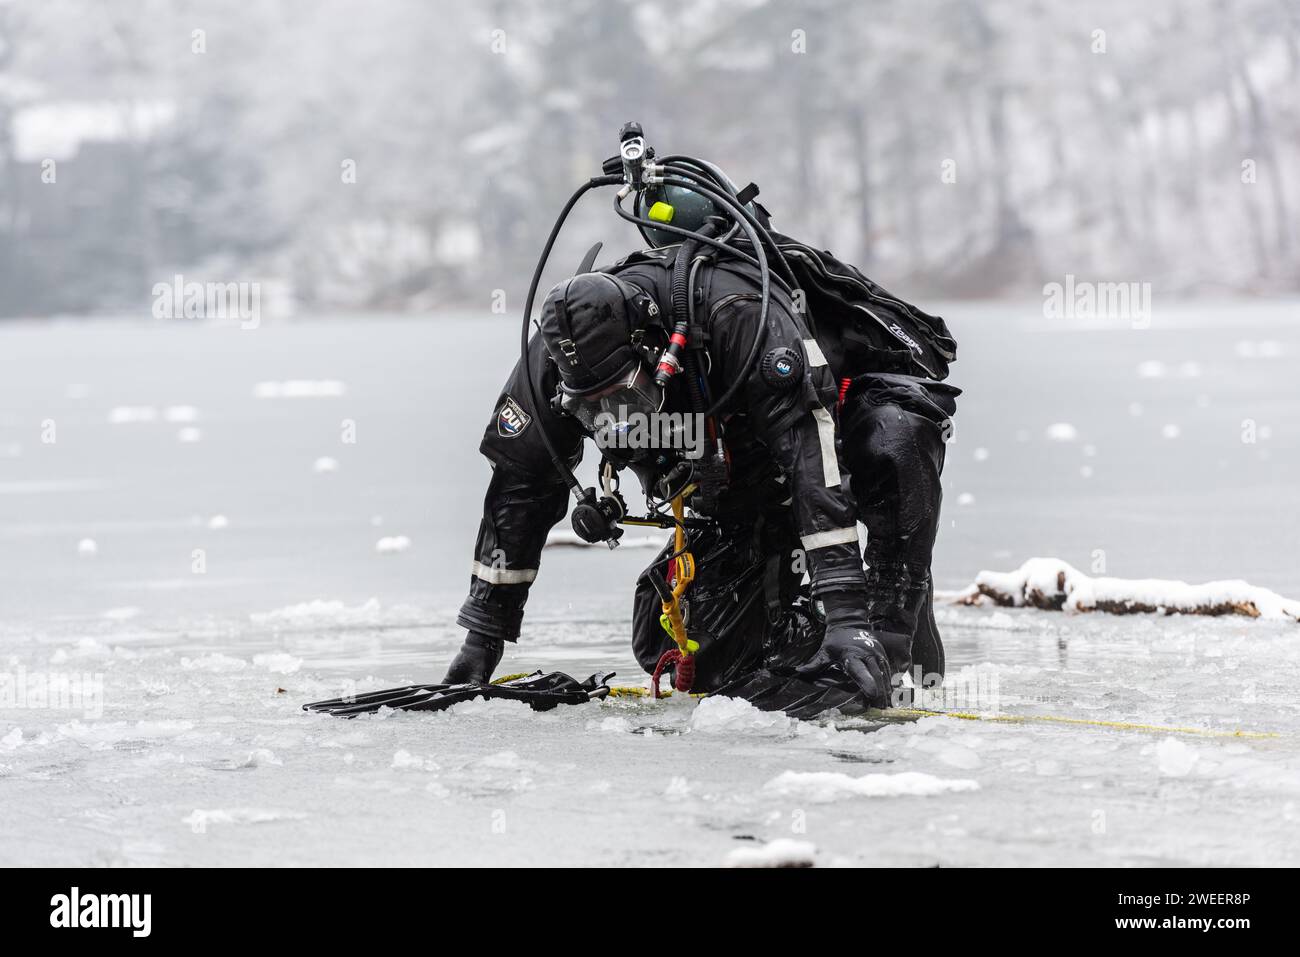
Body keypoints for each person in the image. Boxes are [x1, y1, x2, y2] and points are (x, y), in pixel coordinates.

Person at [446, 181, 958, 715]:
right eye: (591, 406)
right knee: (674, 648)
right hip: (737, 464)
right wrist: (482, 640)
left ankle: (891, 628)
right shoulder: (554, 359)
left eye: (623, 395)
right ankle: (803, 627)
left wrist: (852, 616)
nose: (614, 417)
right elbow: (519, 488)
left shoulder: (740, 315)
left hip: (833, 425)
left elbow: (812, 458)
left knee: (894, 436)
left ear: (656, 347)